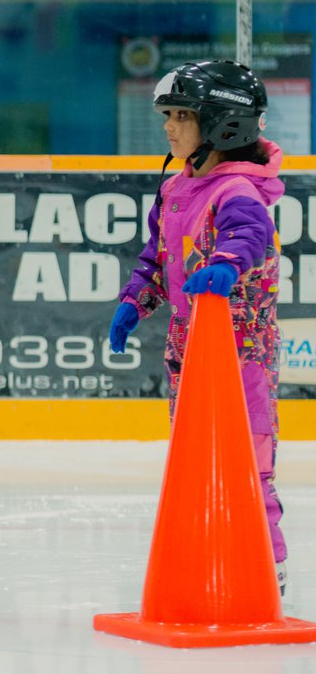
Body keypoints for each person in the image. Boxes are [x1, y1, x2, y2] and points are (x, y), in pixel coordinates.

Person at [109, 60, 288, 594]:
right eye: (167, 115)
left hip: (242, 354)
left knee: (248, 461)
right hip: (189, 352)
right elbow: (157, 258)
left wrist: (228, 266)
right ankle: (207, 556)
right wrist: (135, 301)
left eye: (181, 115)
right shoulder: (175, 191)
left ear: (222, 124)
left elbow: (248, 235)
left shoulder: (237, 191)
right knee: (195, 461)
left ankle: (267, 564)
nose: (168, 126)